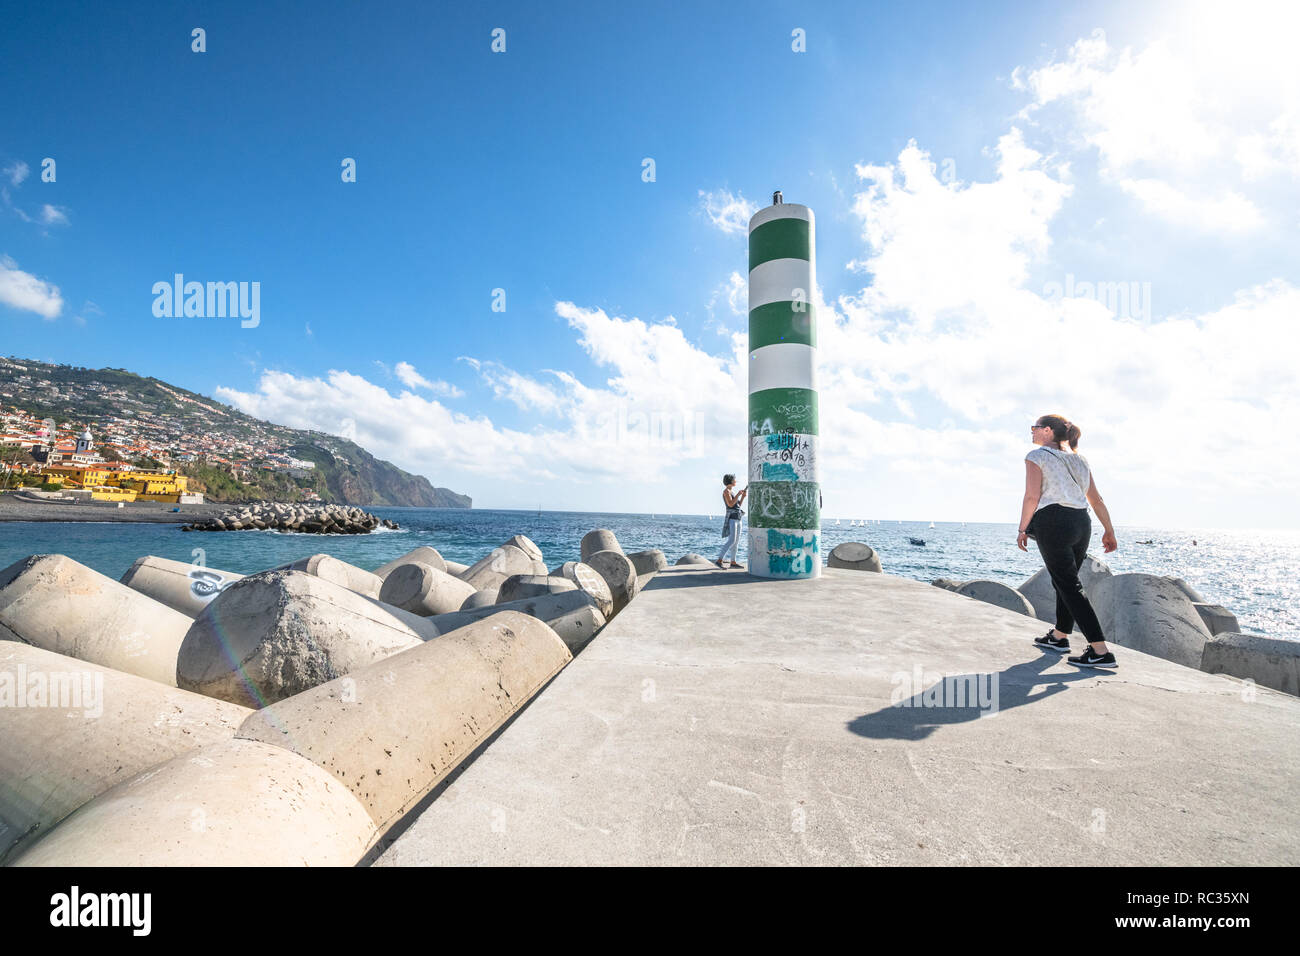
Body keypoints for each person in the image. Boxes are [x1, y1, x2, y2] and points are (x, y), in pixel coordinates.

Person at [1017, 414, 1120, 669]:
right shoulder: (1080, 460)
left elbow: (1031, 497)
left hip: (1054, 521)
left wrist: (1022, 529)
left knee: (1069, 585)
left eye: (1036, 427)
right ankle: (1060, 636)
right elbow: (1096, 499)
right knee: (1064, 580)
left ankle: (1100, 651)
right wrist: (1109, 530)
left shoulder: (1036, 456)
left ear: (1048, 431)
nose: (1032, 431)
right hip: (1081, 523)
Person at [716, 473, 747, 569]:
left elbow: (738, 505)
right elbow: (730, 504)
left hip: (738, 518)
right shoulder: (726, 491)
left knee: (736, 541)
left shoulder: (732, 492)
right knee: (731, 540)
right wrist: (738, 494)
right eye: (734, 480)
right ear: (730, 481)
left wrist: (742, 497)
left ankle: (733, 561)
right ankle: (719, 560)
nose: (736, 481)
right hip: (732, 519)